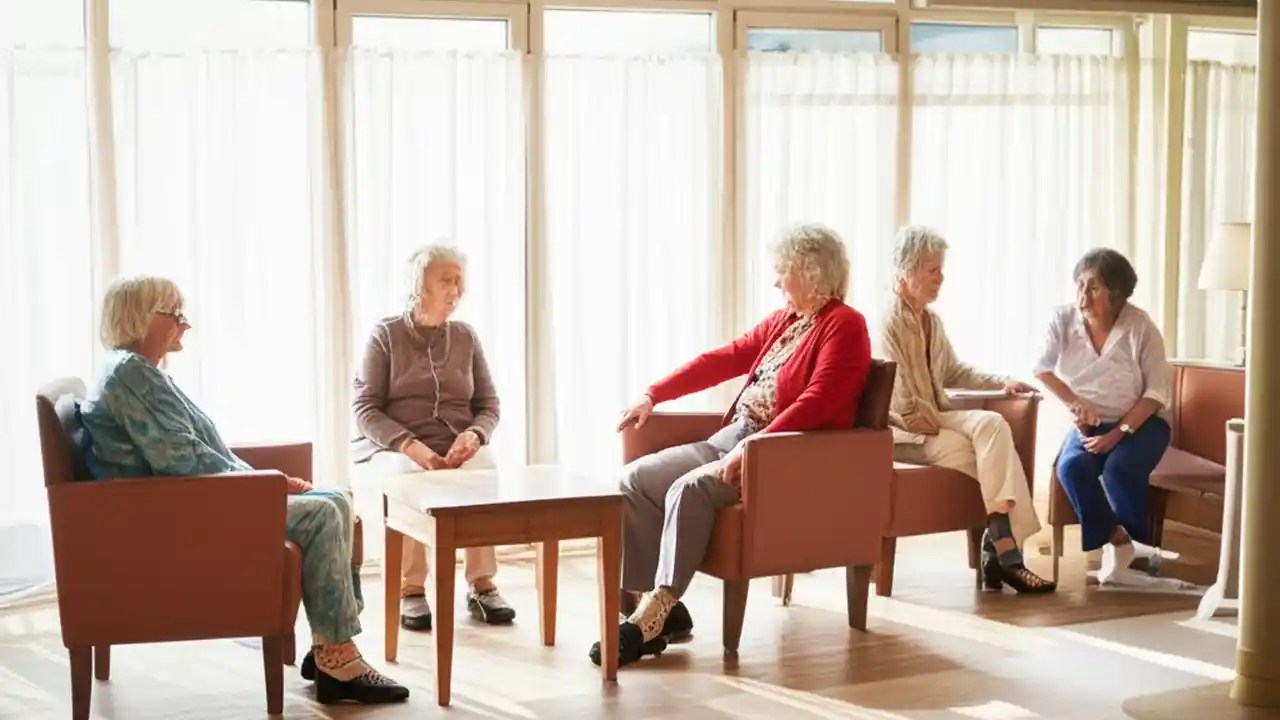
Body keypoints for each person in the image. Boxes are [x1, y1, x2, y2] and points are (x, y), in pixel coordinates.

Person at [80, 275, 408, 705]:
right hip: (173, 515)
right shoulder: (131, 376)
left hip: (186, 499)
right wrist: (265, 483)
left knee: (335, 501)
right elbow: (178, 458)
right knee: (324, 512)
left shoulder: (140, 373)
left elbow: (191, 451)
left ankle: (331, 648)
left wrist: (264, 479)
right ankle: (339, 660)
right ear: (142, 318)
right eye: (175, 314)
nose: (185, 325)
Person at [590, 224, 873, 667]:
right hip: (734, 439)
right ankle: (658, 609)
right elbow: (722, 359)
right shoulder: (786, 322)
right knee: (636, 480)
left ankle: (651, 616)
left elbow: (819, 400)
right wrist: (654, 393)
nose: (777, 281)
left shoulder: (846, 325)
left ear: (813, 272)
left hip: (783, 457)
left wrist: (756, 446)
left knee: (689, 488)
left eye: (785, 271)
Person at [881, 226, 1054, 593]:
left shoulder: (931, 322)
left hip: (934, 416)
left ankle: (999, 544)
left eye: (941, 269)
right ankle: (1005, 551)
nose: (940, 277)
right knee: (983, 452)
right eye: (932, 269)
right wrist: (925, 420)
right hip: (904, 430)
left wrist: (1001, 382)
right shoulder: (888, 321)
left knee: (992, 426)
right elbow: (895, 394)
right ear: (908, 269)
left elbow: (954, 372)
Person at [351, 243, 514, 630]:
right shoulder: (385, 336)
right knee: (409, 476)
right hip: (396, 447)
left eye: (460, 280)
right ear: (419, 284)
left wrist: (475, 435)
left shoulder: (465, 337)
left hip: (456, 443)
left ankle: (481, 583)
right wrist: (410, 445)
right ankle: (410, 589)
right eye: (446, 280)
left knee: (483, 465)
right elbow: (365, 409)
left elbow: (489, 403)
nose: (456, 289)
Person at [1035, 248, 1173, 583]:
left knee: (1119, 467)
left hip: (1143, 423)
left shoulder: (1141, 327)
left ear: (1117, 293)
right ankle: (1122, 544)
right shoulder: (1063, 320)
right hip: (1090, 424)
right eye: (1080, 285)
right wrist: (1075, 403)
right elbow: (1042, 369)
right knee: (1072, 466)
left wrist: (1118, 434)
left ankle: (1136, 563)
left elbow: (1156, 394)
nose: (1083, 295)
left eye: (1093, 287)